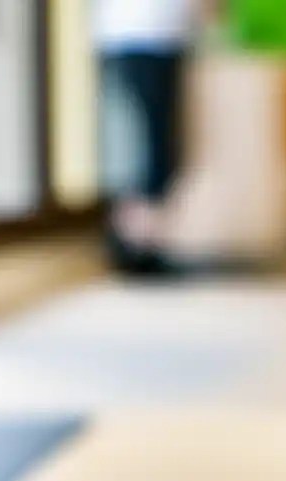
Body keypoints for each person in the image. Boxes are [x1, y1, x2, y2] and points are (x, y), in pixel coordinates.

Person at [96, 0, 198, 275]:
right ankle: (137, 248)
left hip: (156, 38)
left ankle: (144, 245)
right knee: (150, 150)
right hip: (141, 37)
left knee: (154, 149)